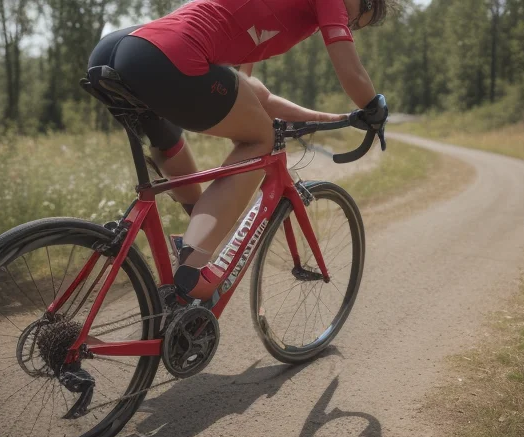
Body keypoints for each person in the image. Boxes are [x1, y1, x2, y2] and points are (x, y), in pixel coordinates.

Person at [87, 0, 391, 301]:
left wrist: (337, 119)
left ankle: (190, 247)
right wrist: (372, 107)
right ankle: (191, 269)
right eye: (354, 20)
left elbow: (255, 94)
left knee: (168, 139)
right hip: (169, 54)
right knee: (260, 140)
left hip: (124, 50)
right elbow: (351, 72)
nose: (346, 23)